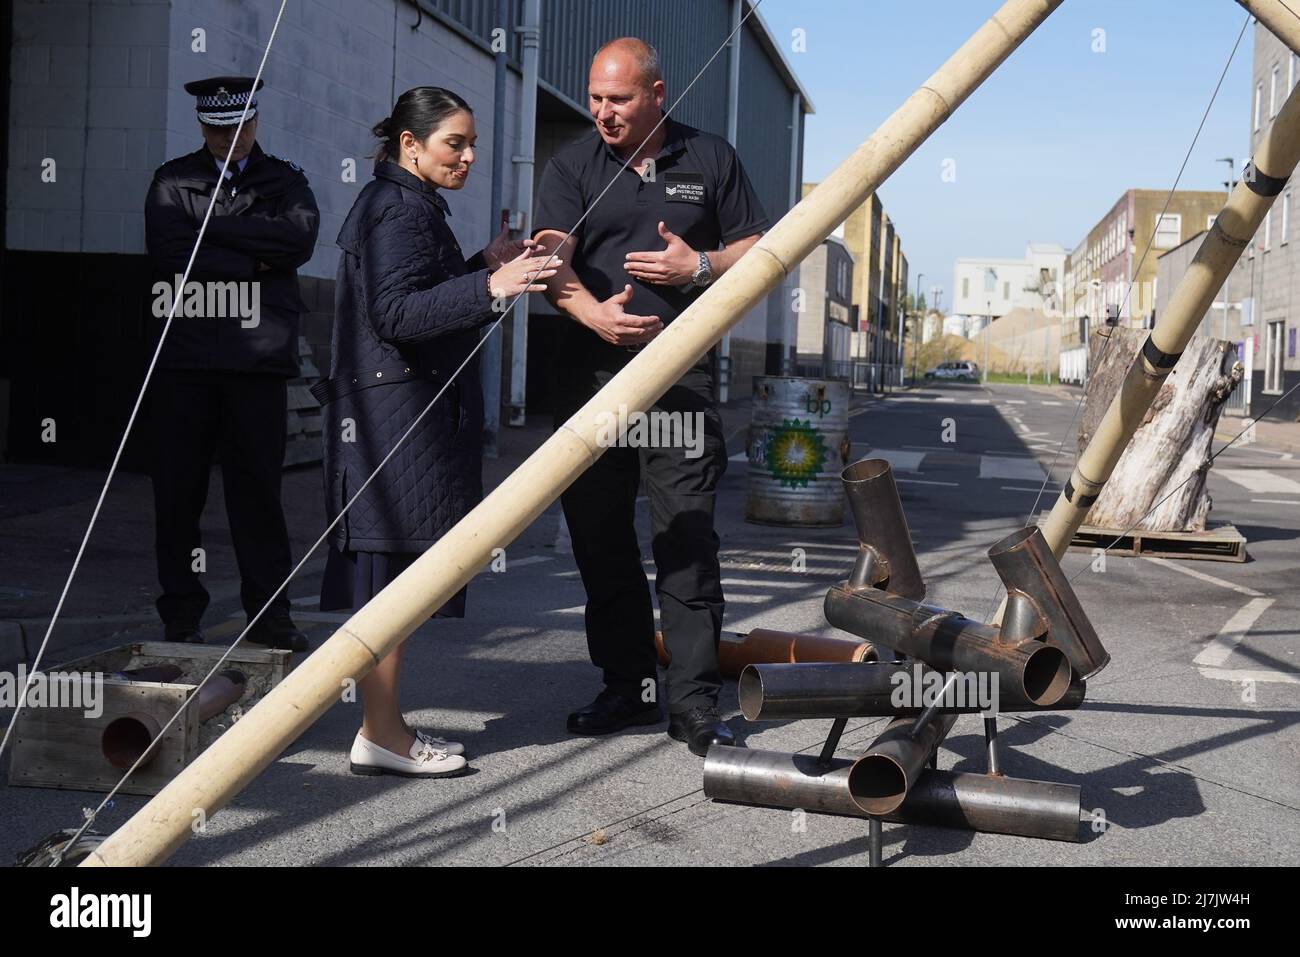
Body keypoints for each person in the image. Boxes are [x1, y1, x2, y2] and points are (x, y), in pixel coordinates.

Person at [532, 39, 769, 756]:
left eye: (620, 100)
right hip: (588, 382)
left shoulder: (712, 158)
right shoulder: (572, 164)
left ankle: (694, 703)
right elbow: (551, 259)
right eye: (596, 98)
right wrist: (592, 313)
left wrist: (697, 263)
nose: (603, 113)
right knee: (600, 543)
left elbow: (760, 249)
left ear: (658, 94)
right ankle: (626, 685)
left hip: (681, 385)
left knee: (688, 543)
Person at [315, 87, 555, 778]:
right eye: (456, 143)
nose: (469, 156)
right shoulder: (396, 209)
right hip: (394, 427)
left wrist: (484, 263)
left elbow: (417, 291)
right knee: (388, 585)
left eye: (472, 142)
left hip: (396, 421)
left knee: (394, 585)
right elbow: (397, 312)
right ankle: (381, 734)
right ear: (409, 144)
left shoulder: (405, 202)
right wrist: (492, 286)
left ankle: (380, 729)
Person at [144, 76, 319, 652]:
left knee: (258, 496)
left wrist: (210, 230)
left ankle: (270, 616)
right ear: (202, 126)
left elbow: (296, 245)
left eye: (241, 126)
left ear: (257, 122)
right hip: (185, 358)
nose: (232, 139)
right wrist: (255, 259)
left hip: (257, 362)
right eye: (219, 129)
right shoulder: (173, 178)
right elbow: (171, 254)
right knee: (177, 493)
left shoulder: (285, 179)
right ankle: (180, 614)